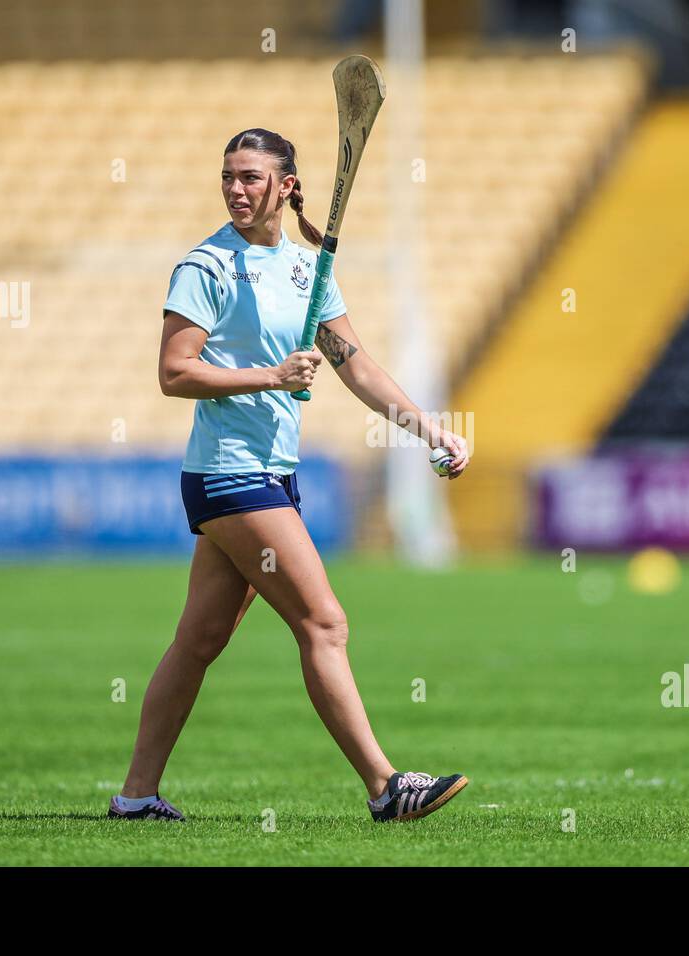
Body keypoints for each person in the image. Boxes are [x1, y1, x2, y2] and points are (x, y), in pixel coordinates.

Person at [109, 128, 470, 824]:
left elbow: (356, 365)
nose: (236, 189)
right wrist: (269, 376)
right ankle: (387, 787)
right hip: (228, 475)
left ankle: (135, 797)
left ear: (287, 186)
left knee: (198, 642)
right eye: (228, 177)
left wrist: (430, 428)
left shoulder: (309, 272)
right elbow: (174, 372)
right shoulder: (207, 266)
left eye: (251, 177)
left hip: (271, 473)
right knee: (324, 622)